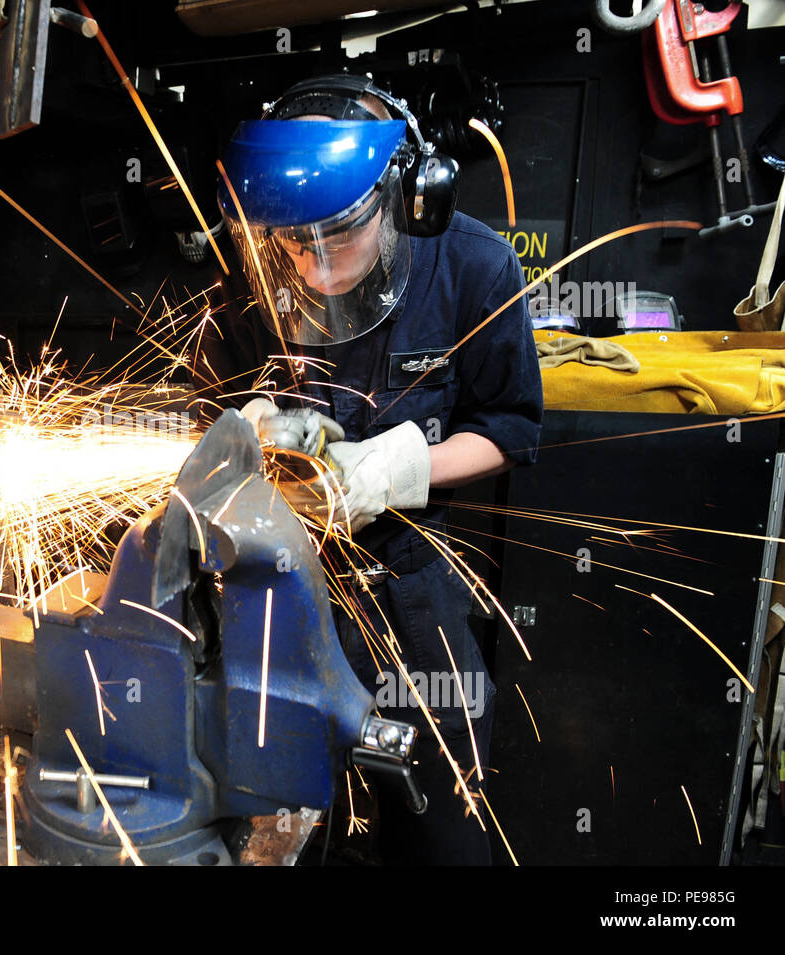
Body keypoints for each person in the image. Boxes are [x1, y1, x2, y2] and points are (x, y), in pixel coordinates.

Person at [207, 74, 544, 864]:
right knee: (302, 834)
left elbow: (510, 430)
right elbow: (208, 418)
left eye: (341, 236)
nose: (318, 268)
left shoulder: (472, 265)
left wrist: (398, 469)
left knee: (446, 832)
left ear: (402, 192)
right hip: (282, 596)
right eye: (296, 243)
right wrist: (246, 428)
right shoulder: (252, 271)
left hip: (413, 593)